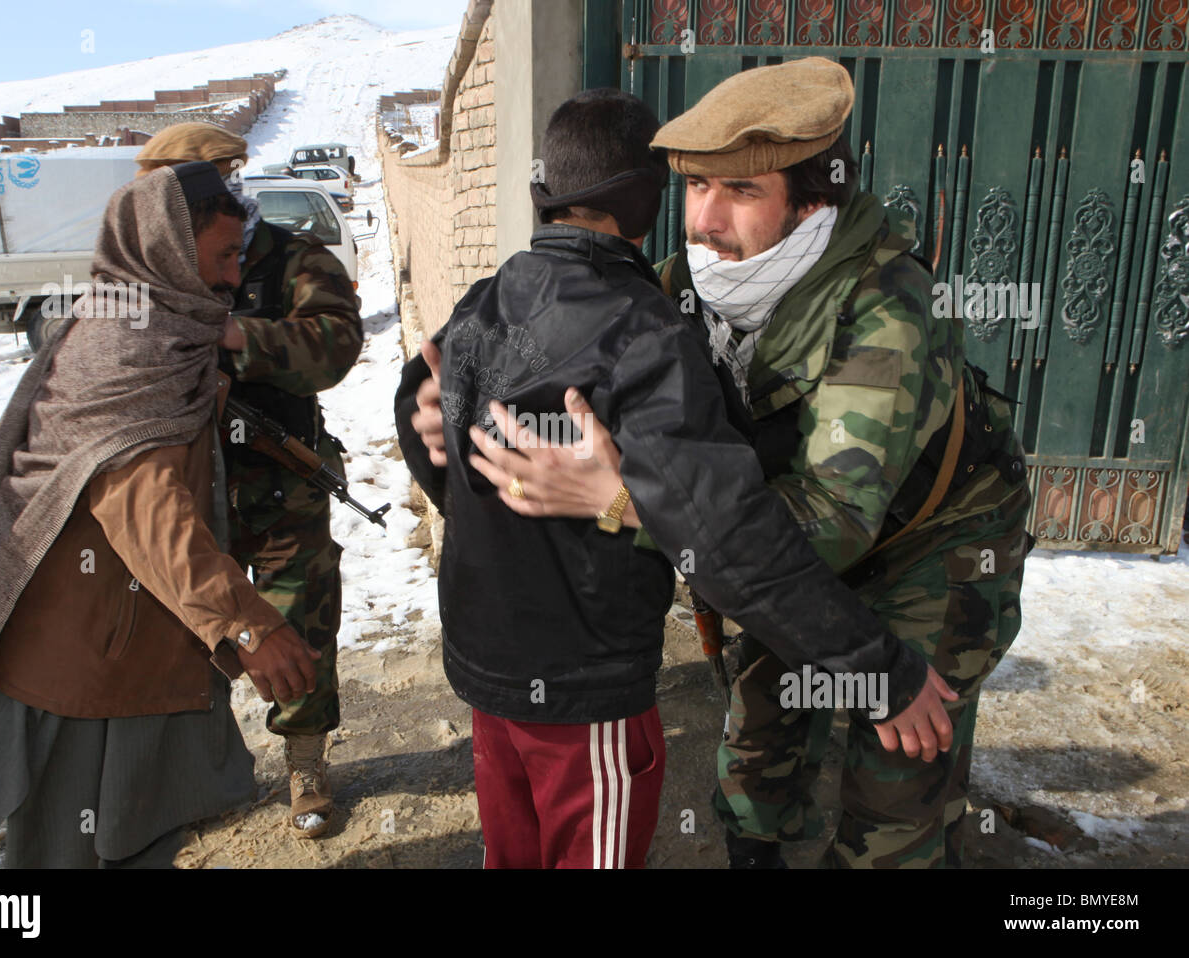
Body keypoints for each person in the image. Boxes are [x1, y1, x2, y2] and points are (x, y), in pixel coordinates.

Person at [435, 58, 1033, 868]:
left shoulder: (886, 310)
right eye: (694, 187)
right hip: (760, 535)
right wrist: (462, 405)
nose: (705, 220)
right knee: (756, 761)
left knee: (898, 797)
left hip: (928, 546)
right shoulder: (695, 279)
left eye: (742, 192)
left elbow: (831, 529)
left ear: (812, 196)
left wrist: (626, 501)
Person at [0, 162, 319, 867]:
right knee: (64, 851)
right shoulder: (126, 344)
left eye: (239, 256)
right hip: (79, 662)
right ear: (166, 248)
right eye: (224, 256)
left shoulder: (156, 329)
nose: (235, 277)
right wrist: (247, 622)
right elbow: (146, 509)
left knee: (130, 841)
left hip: (125, 646)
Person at [134, 124, 364, 838]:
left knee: (298, 624)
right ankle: (185, 776)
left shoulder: (292, 260)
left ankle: (305, 765)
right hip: (180, 490)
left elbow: (336, 346)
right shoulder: (145, 273)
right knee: (176, 631)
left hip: (279, 485)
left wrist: (240, 338)